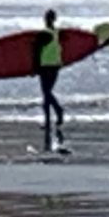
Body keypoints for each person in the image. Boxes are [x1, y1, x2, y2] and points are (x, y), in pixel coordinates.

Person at [35, 9, 68, 153]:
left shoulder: (44, 34)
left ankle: (58, 111)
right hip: (55, 64)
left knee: (46, 92)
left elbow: (35, 51)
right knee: (46, 93)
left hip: (46, 65)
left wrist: (34, 67)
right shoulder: (56, 33)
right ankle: (48, 121)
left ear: (46, 19)